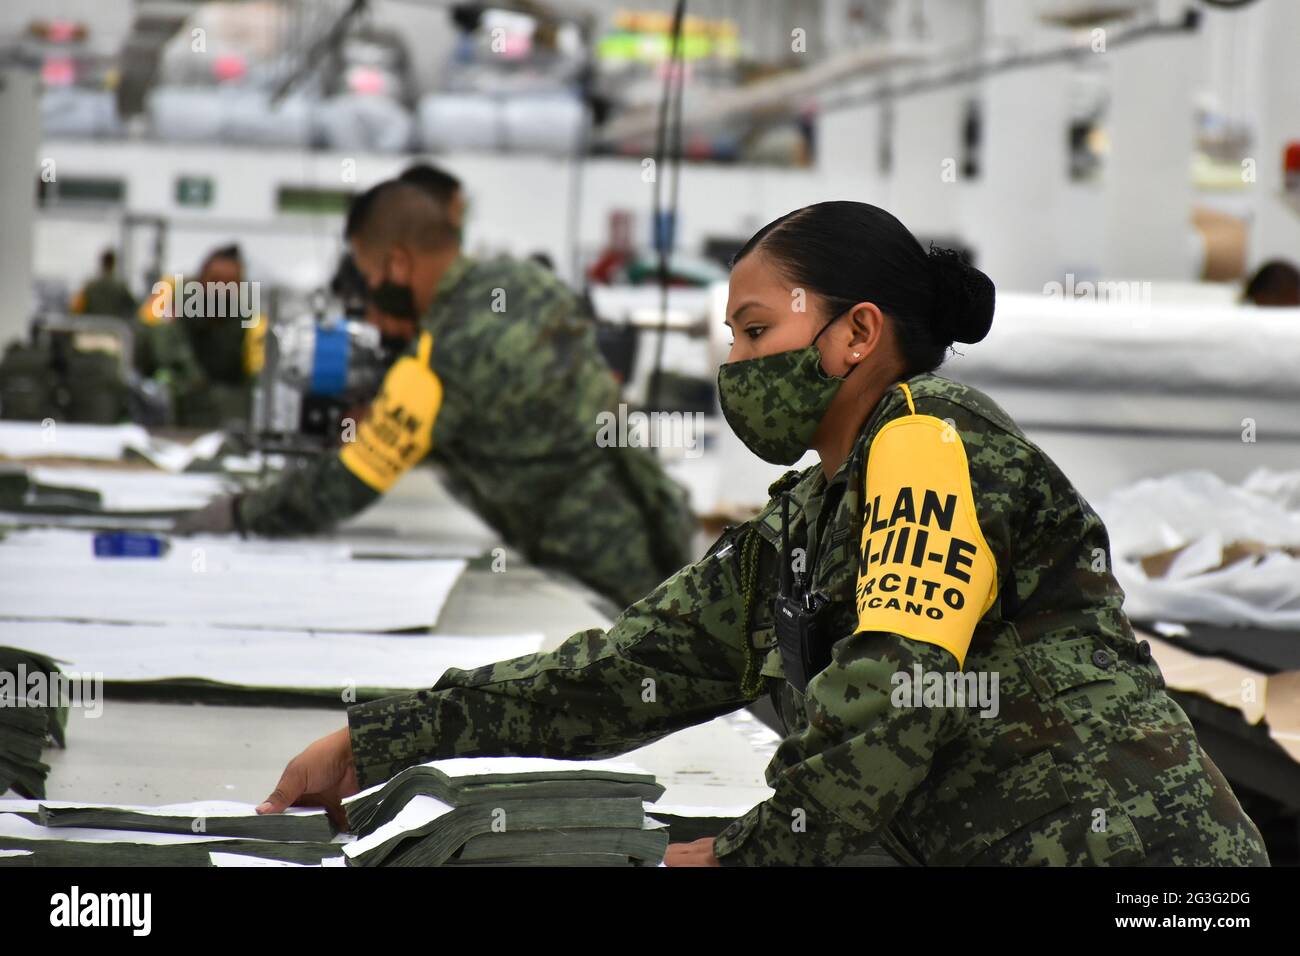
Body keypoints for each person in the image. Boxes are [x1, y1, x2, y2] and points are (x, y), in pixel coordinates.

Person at [256, 201, 1270, 867]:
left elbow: (891, 698)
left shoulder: (931, 443)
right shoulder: (806, 520)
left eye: (753, 330)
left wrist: (745, 854)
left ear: (856, 334)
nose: (733, 360)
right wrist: (378, 736)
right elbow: (615, 675)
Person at [176, 180, 694, 609]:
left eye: (372, 272)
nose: (373, 288)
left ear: (399, 263)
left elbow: (350, 480)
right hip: (651, 523)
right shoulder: (527, 282)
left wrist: (242, 514)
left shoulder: (438, 356)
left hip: (588, 573)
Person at [134, 244, 267, 428]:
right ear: (202, 278)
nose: (222, 289)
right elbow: (166, 353)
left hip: (220, 415)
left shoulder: (242, 321)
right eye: (216, 280)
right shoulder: (175, 302)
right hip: (170, 410)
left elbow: (250, 374)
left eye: (231, 283)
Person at [70, 249, 136, 320]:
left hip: (93, 326)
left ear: (102, 263)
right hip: (114, 327)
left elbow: (77, 308)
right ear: (113, 264)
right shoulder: (120, 287)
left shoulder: (90, 286)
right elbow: (133, 306)